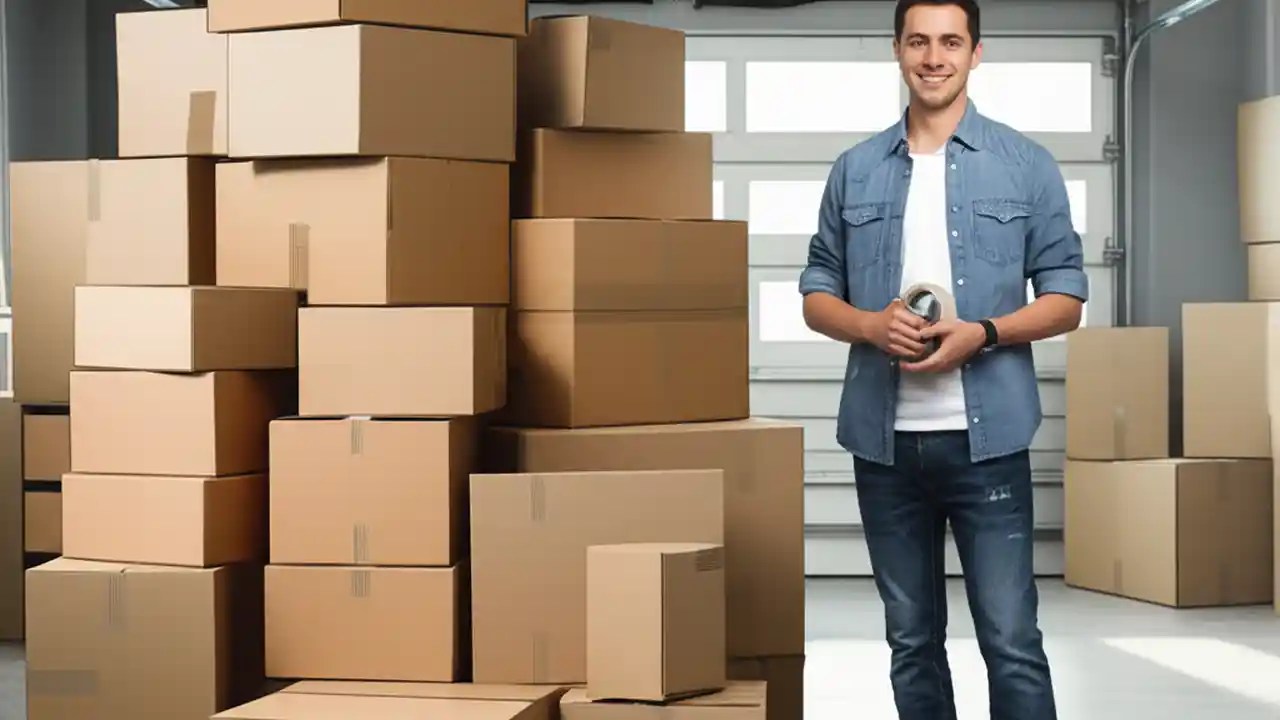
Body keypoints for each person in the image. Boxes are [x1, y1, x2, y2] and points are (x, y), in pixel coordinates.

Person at [798, 1, 1087, 718]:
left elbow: (1067, 297)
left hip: (987, 445)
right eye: (919, 41)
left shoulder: (1026, 165)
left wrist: (983, 333)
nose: (934, 57)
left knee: (1012, 638)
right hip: (884, 448)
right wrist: (869, 325)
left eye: (950, 42)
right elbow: (815, 292)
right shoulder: (856, 168)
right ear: (897, 49)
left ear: (976, 52)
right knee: (912, 641)